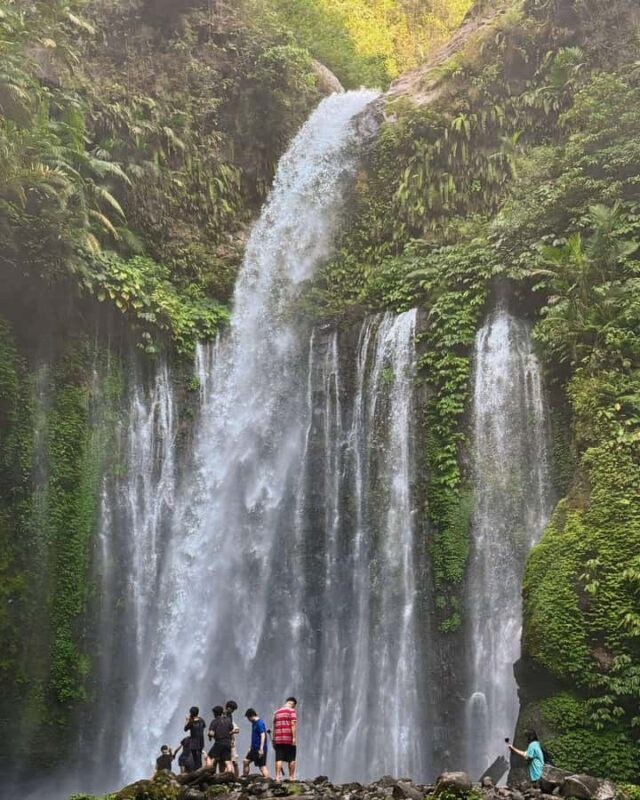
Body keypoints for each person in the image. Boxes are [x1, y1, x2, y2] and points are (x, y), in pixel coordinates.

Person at [272, 696, 297, 782]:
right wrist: (293, 738)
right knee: (292, 758)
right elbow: (293, 724)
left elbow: (274, 727)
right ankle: (291, 777)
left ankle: (278, 777)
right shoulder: (291, 711)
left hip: (278, 739)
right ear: (293, 704)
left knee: (279, 758)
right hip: (288, 738)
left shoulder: (276, 712)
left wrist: (273, 739)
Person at [243, 708, 270, 778]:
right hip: (254, 748)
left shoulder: (260, 723)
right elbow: (254, 736)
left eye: (248, 718)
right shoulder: (254, 724)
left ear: (251, 716)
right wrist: (250, 747)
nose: (248, 720)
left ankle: (268, 781)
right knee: (246, 761)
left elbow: (263, 735)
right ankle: (245, 778)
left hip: (259, 748)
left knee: (262, 766)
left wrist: (261, 749)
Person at [208, 704, 234, 773]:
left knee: (209, 757)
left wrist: (210, 736)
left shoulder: (214, 721)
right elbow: (232, 730)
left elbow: (211, 733)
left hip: (219, 742)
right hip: (228, 743)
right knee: (227, 761)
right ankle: (230, 775)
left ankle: (208, 773)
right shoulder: (228, 720)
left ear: (215, 713)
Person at [184, 706, 207, 771]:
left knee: (195, 757)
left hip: (194, 742)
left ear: (191, 713)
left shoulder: (191, 722)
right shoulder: (201, 720)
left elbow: (185, 729)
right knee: (199, 757)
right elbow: (204, 726)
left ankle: (197, 770)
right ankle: (199, 769)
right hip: (201, 741)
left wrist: (187, 720)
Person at [225, 700, 241, 777]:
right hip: (225, 741)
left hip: (231, 741)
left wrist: (235, 729)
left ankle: (236, 777)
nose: (233, 712)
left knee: (235, 761)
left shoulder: (230, 716)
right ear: (228, 708)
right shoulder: (222, 716)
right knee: (226, 762)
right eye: (232, 710)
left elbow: (233, 725)